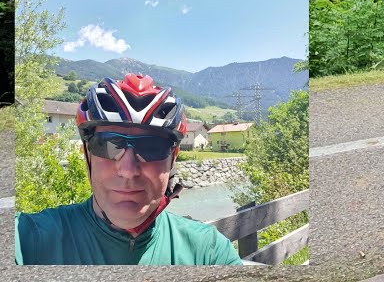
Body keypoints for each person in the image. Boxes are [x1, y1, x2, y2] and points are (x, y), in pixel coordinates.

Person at [15, 74, 243, 265]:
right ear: (87, 155)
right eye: (108, 145)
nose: (128, 170)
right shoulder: (29, 240)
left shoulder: (208, 253)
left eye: (152, 147)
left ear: (172, 159)